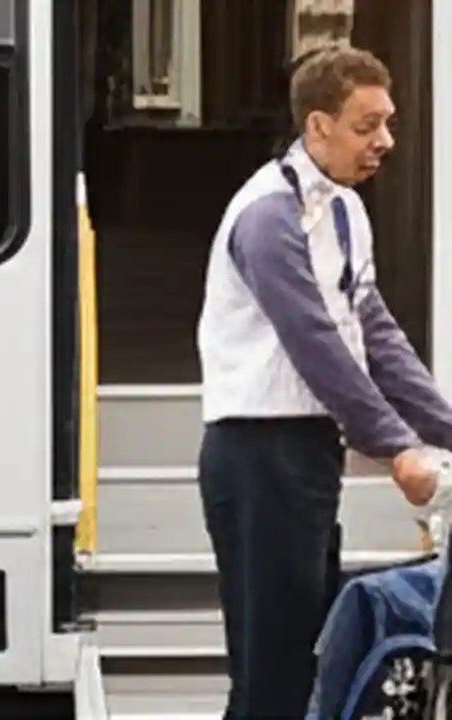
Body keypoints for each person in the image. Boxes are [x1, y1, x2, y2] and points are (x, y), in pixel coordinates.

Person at [195, 44, 452, 718]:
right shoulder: (267, 215)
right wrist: (397, 448)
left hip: (306, 452)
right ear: (318, 125)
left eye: (388, 123)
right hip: (258, 453)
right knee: (273, 671)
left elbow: (377, 338)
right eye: (368, 125)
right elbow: (315, 342)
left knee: (300, 659)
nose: (385, 141)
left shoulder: (345, 211)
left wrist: (444, 428)